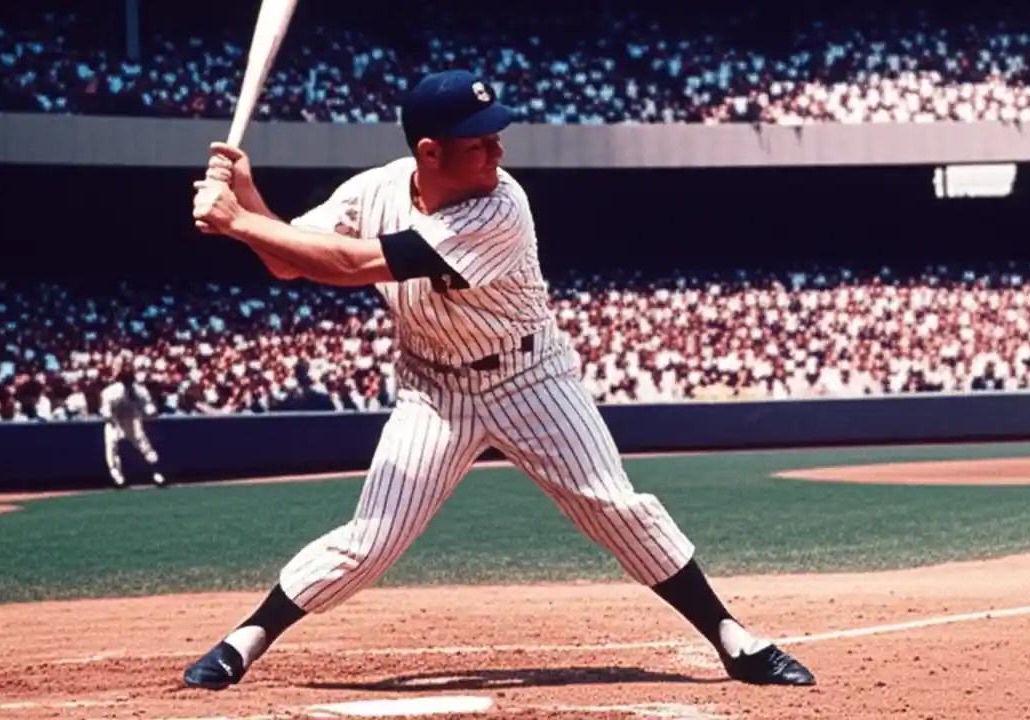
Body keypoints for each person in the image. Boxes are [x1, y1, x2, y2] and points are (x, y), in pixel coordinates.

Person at [183, 69, 814, 689]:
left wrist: (236, 220)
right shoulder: (370, 191)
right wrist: (249, 200)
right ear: (429, 153)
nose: (496, 150)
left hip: (530, 378)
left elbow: (357, 266)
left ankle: (733, 638)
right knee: (371, 538)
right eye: (477, 142)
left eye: (495, 135)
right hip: (434, 390)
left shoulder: (501, 206)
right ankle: (248, 637)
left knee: (616, 508)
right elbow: (287, 260)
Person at [100, 366, 166, 487]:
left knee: (144, 446)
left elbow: (148, 405)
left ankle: (157, 473)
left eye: (129, 379)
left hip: (133, 420)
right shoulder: (110, 392)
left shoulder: (140, 390)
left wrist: (151, 411)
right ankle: (118, 477)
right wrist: (111, 418)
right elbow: (105, 411)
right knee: (111, 447)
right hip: (115, 421)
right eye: (125, 379)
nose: (127, 382)